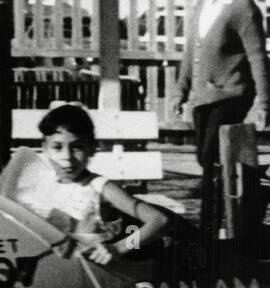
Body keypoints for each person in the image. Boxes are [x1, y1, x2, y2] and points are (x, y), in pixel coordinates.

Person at [20, 104, 170, 264]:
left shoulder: (99, 187)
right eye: (57, 147)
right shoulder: (42, 183)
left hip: (93, 277)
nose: (67, 157)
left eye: (77, 148)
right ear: (45, 148)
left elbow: (159, 220)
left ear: (91, 149)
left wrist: (121, 247)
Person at [172, 0, 270, 237]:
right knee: (205, 159)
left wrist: (265, 103)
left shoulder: (242, 9)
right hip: (203, 98)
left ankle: (208, 230)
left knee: (210, 159)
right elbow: (190, 52)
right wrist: (180, 92)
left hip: (232, 94)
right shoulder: (201, 6)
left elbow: (258, 58)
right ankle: (256, 197)